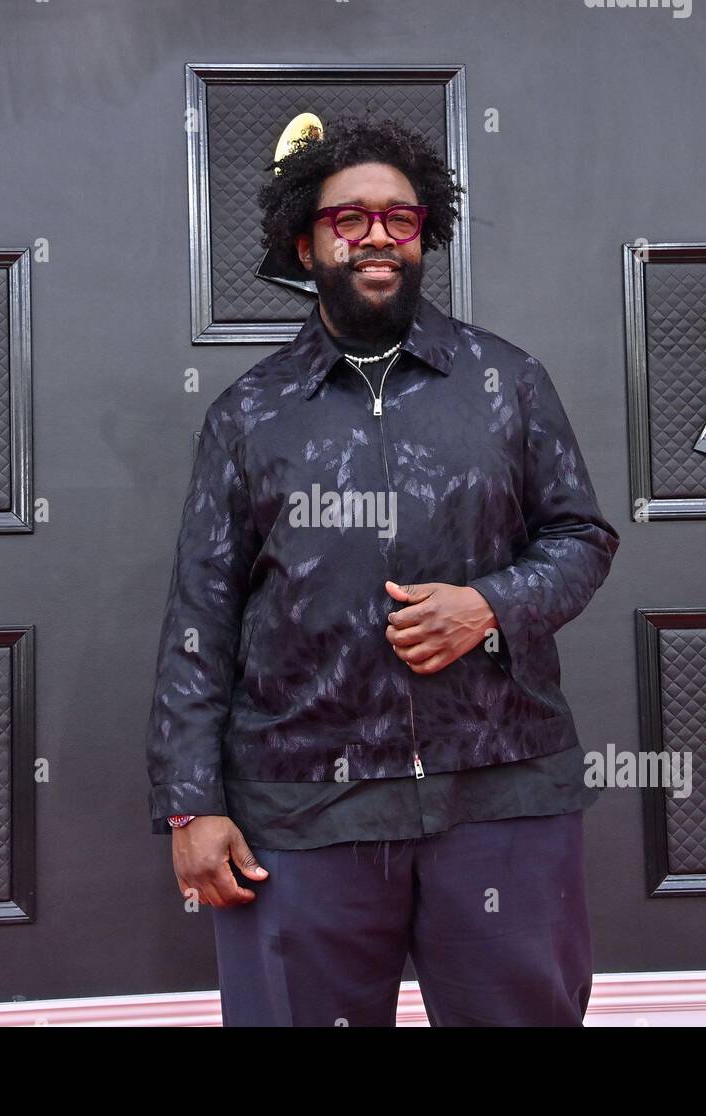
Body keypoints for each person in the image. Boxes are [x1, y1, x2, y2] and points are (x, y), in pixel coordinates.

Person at [145, 115, 619, 1026]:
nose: (376, 237)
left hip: (501, 791)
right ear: (306, 242)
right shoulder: (249, 413)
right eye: (349, 219)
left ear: (424, 234)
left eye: (400, 219)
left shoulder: (507, 381)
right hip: (301, 808)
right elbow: (202, 613)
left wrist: (489, 605)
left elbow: (581, 537)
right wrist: (190, 804)